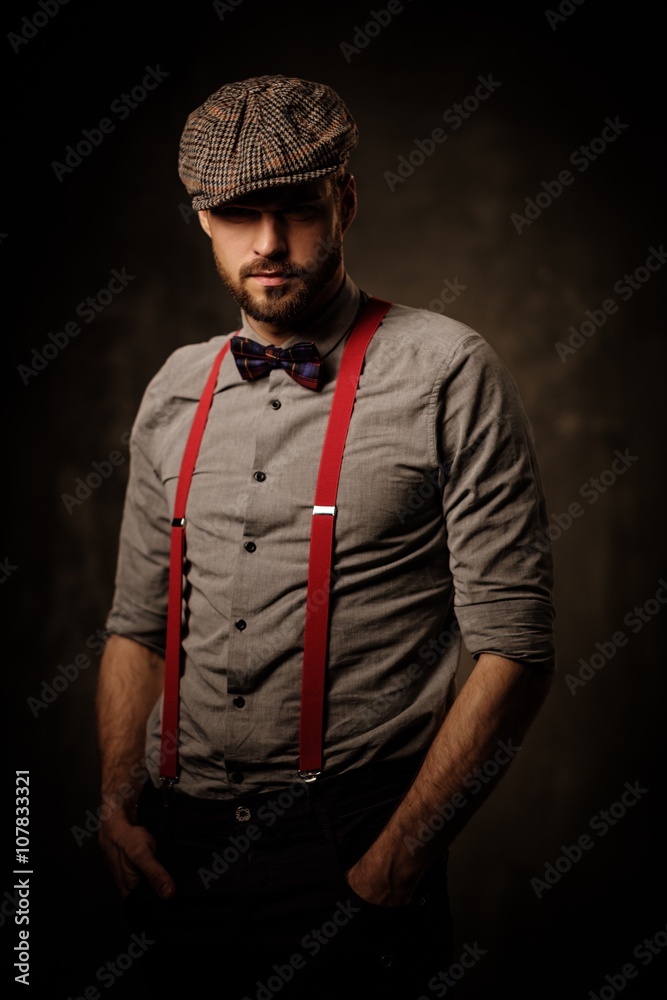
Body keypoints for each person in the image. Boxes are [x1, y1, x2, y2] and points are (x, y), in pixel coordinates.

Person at [97, 74, 555, 999]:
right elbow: (137, 627)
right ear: (201, 218)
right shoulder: (173, 388)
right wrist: (115, 802)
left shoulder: (446, 370)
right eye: (238, 214)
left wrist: (396, 860)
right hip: (174, 850)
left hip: (348, 842)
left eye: (297, 209)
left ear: (344, 200)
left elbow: (515, 644)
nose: (268, 244)